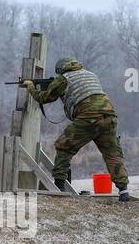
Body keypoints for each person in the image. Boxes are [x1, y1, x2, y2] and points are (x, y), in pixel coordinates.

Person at [24, 58, 130, 201]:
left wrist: (31, 87)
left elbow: (44, 98)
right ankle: (123, 191)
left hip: (89, 117)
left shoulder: (64, 79)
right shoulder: (91, 75)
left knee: (63, 146)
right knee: (112, 153)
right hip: (109, 116)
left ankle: (60, 185)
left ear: (61, 69)